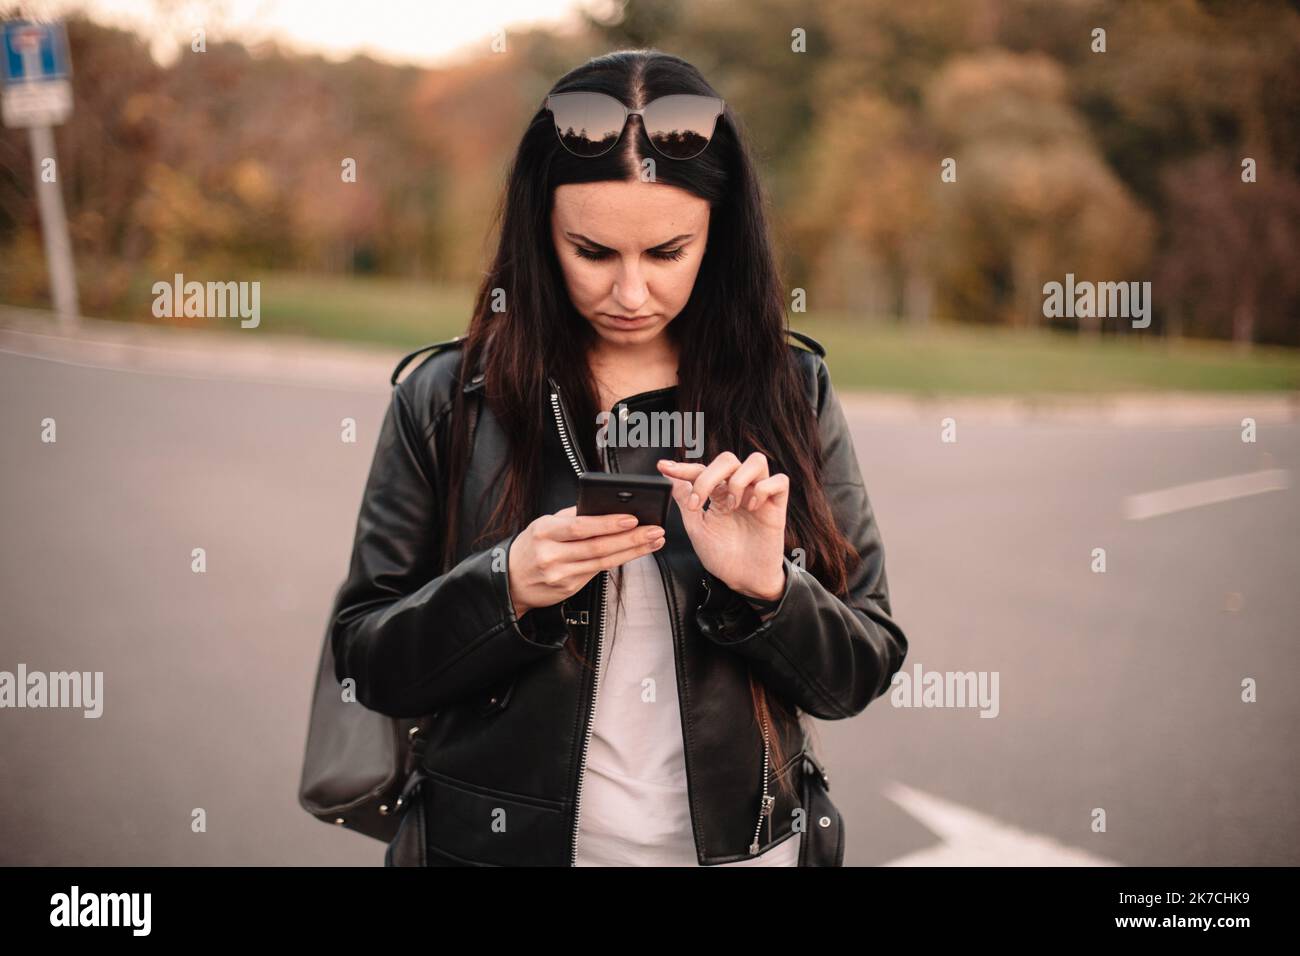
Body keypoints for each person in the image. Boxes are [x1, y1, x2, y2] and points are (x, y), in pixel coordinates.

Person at [328, 49, 908, 867]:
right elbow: (367, 660)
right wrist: (504, 589)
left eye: (667, 253)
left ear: (722, 232)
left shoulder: (790, 390)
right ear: (540, 232)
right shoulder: (448, 396)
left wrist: (770, 590)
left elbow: (860, 666)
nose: (630, 295)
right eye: (593, 253)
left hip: (748, 854)